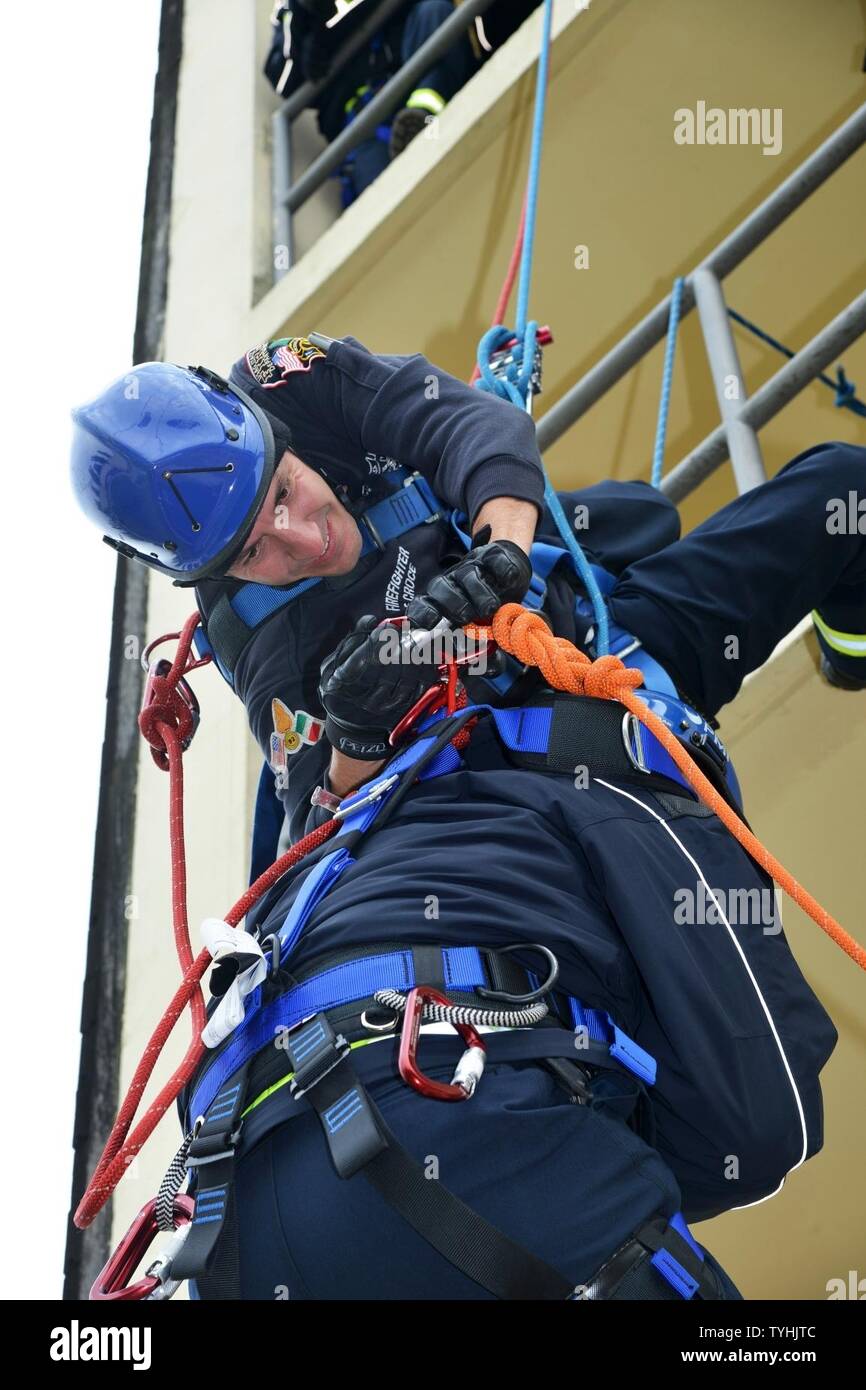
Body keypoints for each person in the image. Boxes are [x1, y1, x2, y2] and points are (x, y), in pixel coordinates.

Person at [70, 335, 862, 1298]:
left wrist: (500, 550)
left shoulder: (299, 384)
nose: (302, 541)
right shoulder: (251, 630)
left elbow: (456, 420)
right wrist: (360, 715)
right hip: (512, 740)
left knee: (841, 492)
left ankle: (849, 641)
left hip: (590, 627)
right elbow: (333, 792)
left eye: (284, 492)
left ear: (268, 430)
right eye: (254, 552)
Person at [264, 0, 479, 205]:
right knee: (388, 212)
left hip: (409, 76)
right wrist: (301, 17)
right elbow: (284, 80)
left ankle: (422, 117)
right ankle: (413, 128)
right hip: (364, 126)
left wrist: (331, 34)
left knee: (434, 11)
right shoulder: (290, 8)